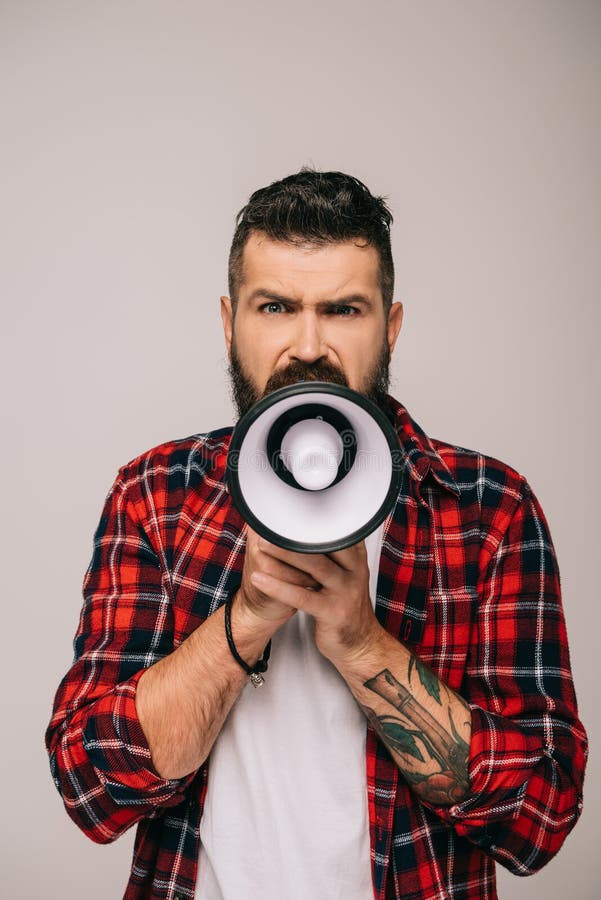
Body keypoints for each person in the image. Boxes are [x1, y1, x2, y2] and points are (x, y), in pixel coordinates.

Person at [46, 170, 587, 900]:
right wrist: (244, 621)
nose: (308, 346)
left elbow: (539, 819)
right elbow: (91, 789)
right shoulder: (156, 495)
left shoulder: (489, 510)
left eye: (342, 310)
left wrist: (362, 643)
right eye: (275, 306)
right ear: (229, 321)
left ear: (388, 327)